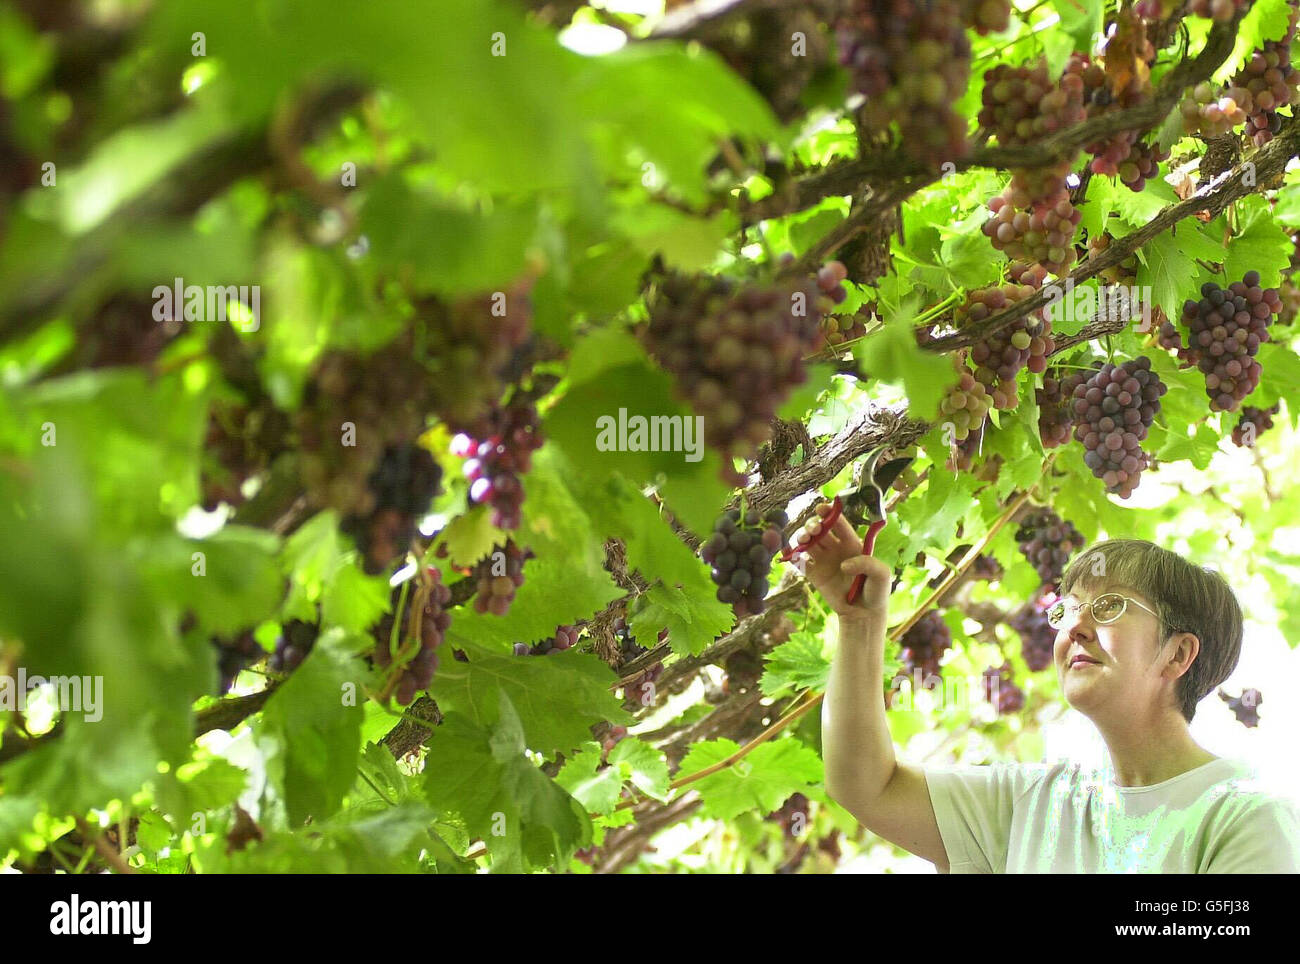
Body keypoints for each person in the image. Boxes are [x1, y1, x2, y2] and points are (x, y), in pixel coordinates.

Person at [803, 502, 1300, 873]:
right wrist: (860, 625)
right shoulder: (1031, 800)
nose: (1074, 628)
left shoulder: (1245, 817)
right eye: (1067, 610)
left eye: (1108, 608)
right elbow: (867, 786)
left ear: (1177, 654)